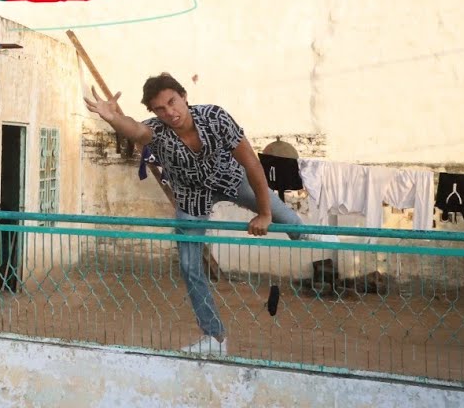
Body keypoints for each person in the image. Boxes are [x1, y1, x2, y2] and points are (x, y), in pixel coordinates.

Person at [84, 73, 312, 357]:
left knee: (288, 220)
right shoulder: (158, 132)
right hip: (191, 196)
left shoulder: (215, 117)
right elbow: (134, 130)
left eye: (172, 102)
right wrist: (112, 118)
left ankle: (315, 245)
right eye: (160, 109)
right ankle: (214, 338)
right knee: (190, 267)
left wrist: (265, 213)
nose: (170, 112)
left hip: (232, 178)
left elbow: (252, 163)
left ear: (184, 97)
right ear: (154, 113)